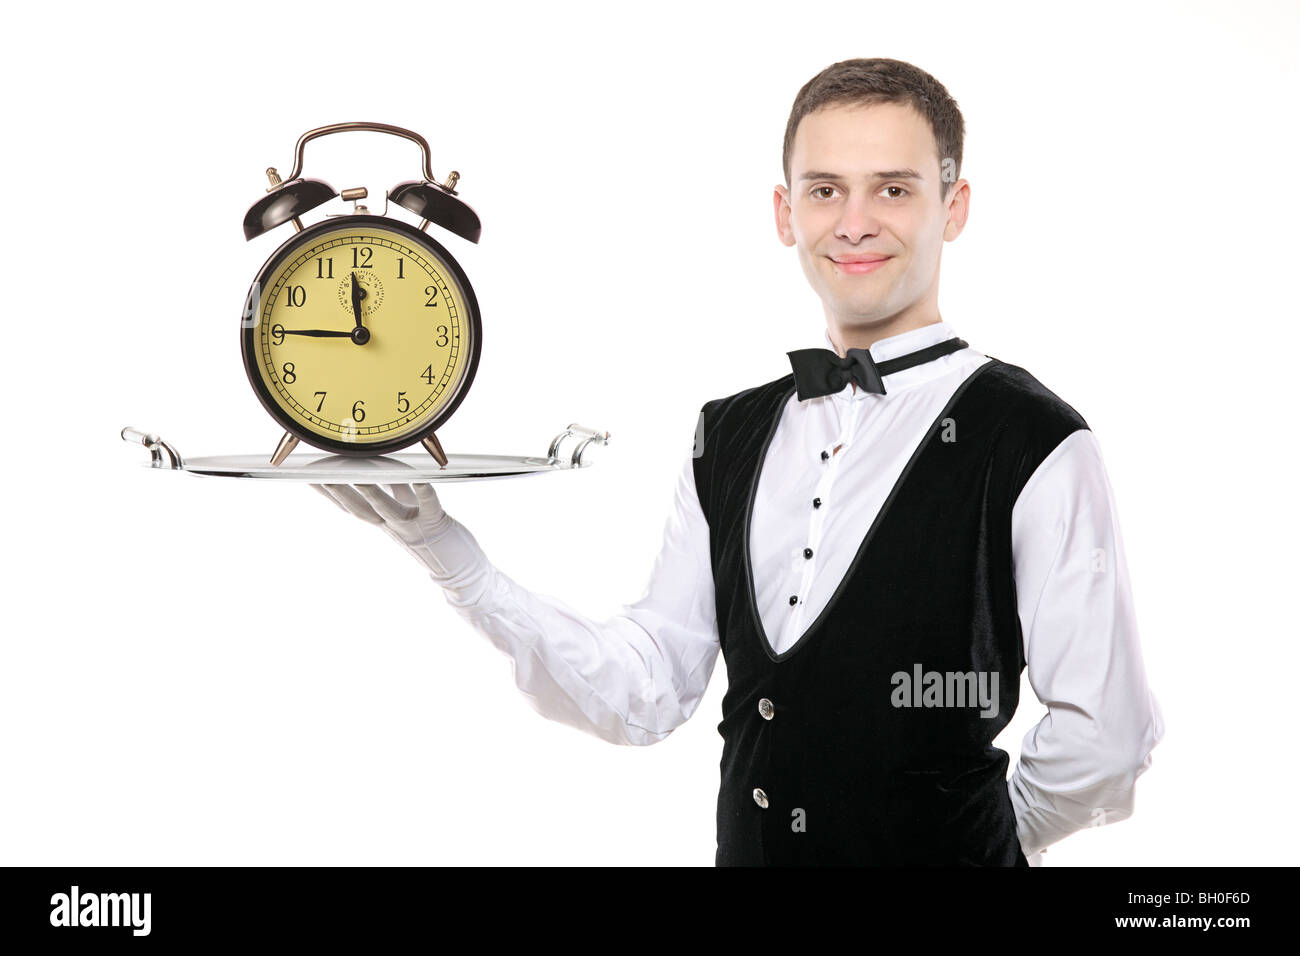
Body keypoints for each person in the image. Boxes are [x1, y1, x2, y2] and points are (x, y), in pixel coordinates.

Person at [311, 57, 1164, 867]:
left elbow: (1107, 737)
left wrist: (979, 841)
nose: (856, 221)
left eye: (893, 190)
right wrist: (451, 557)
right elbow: (648, 689)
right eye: (826, 189)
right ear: (786, 212)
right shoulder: (726, 434)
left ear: (954, 206)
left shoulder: (1036, 438)